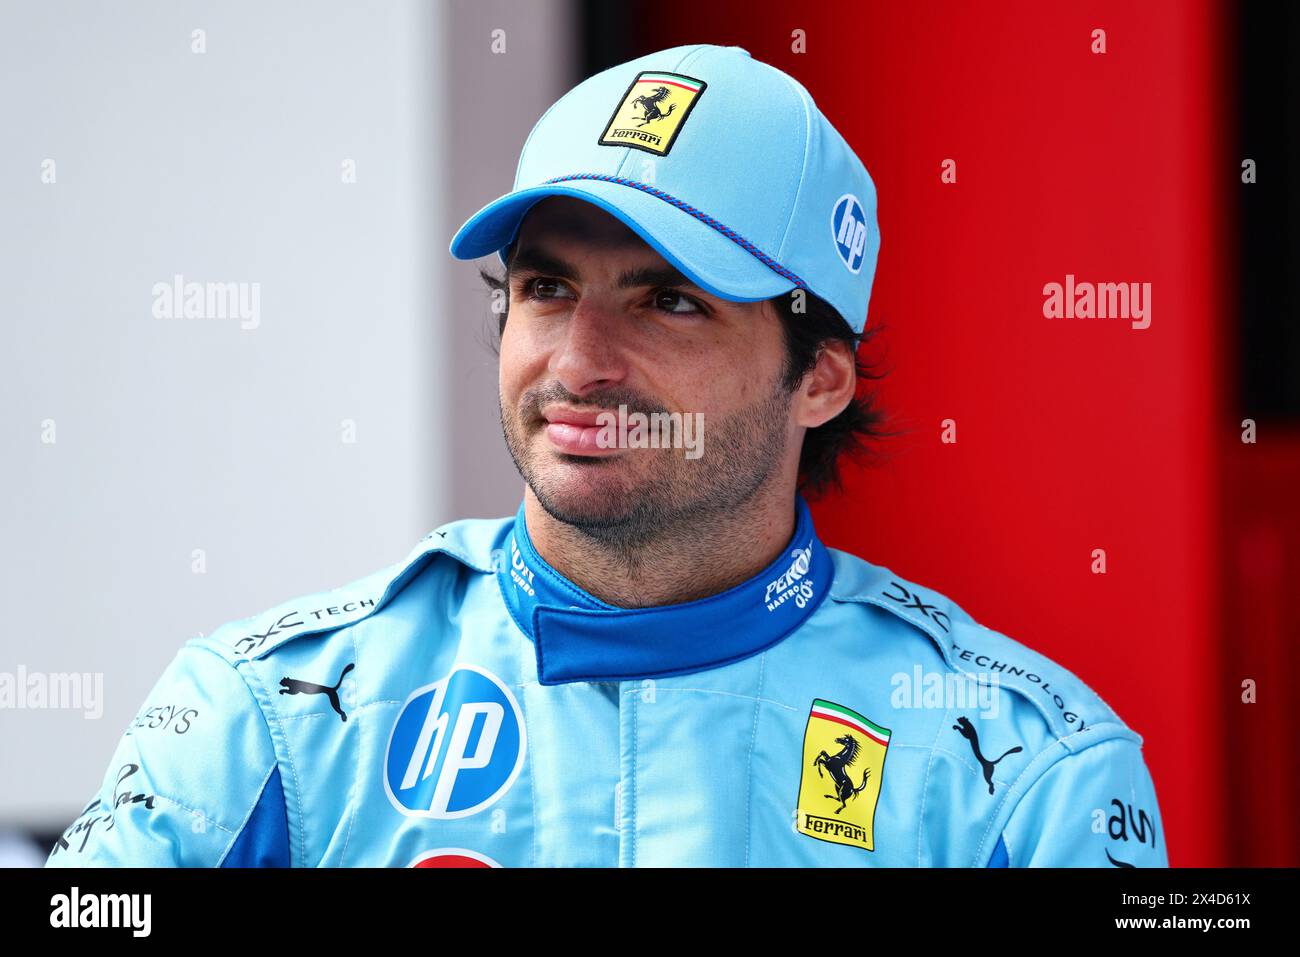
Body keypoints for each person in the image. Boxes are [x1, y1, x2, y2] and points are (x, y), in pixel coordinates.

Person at [47, 43, 1166, 868]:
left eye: (668, 301)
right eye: (545, 289)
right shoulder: (268, 711)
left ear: (819, 375)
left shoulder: (1026, 770)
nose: (579, 361)